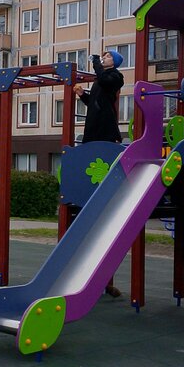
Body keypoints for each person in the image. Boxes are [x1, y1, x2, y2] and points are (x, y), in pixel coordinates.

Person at [72, 49, 126, 298]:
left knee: (102, 161)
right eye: (101, 57)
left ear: (113, 62)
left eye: (106, 56)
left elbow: (105, 83)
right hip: (93, 130)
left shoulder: (115, 76)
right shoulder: (101, 80)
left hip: (105, 132)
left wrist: (96, 64)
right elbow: (96, 103)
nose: (102, 58)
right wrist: (83, 95)